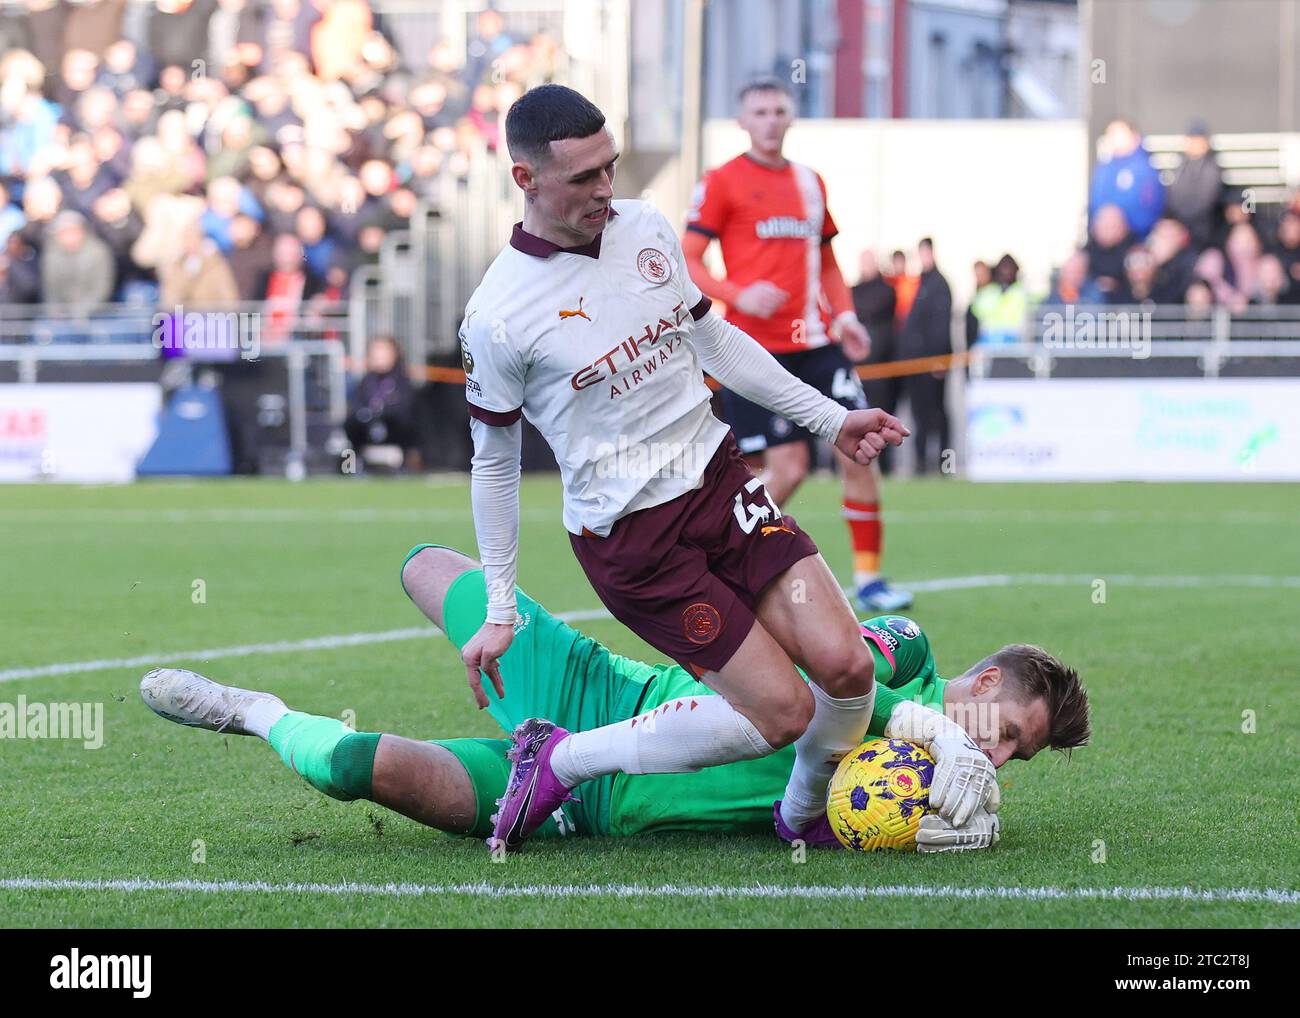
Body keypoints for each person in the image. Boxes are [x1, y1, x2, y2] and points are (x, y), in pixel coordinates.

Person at [455, 84, 972, 856]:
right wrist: (501, 605)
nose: (605, 190)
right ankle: (558, 759)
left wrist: (831, 421)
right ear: (526, 180)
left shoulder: (647, 230)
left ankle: (800, 816)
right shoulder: (498, 316)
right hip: (635, 541)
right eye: (584, 178)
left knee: (845, 663)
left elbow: (718, 345)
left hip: (722, 483)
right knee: (782, 714)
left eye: (611, 169)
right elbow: (493, 464)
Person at [139, 546, 1092, 851]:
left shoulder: (939, 795)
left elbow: (845, 807)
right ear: (982, 683)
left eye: (1017, 757)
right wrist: (925, 724)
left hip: (591, 813)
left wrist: (919, 822)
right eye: (1005, 732)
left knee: (359, 767)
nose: (996, 758)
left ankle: (249, 711)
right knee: (427, 566)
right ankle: (519, 655)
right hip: (604, 690)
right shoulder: (910, 656)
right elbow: (836, 680)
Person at [682, 77, 912, 613]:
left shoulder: (811, 182)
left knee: (862, 448)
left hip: (818, 342)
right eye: (758, 111)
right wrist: (737, 291)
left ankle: (871, 580)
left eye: (778, 110)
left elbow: (827, 261)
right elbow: (687, 260)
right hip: (754, 352)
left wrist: (847, 315)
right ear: (742, 121)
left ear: (791, 117)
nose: (769, 120)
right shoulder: (720, 182)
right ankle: (721, 560)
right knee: (788, 469)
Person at [898, 238, 953, 476]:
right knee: (919, 414)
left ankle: (943, 464)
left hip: (932, 363)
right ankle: (920, 463)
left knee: (937, 414)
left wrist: (939, 359)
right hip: (917, 363)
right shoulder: (919, 283)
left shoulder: (939, 284)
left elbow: (940, 326)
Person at [851, 250, 901, 476]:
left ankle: (885, 465)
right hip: (857, 369)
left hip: (881, 367)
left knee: (881, 418)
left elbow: (872, 308)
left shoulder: (886, 290)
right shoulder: (853, 291)